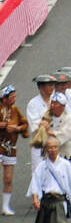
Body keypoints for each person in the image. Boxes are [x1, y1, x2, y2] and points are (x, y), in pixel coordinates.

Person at [0, 82, 27, 214]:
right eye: (11, 96)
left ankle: (6, 205)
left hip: (10, 147)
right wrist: (4, 125)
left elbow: (25, 125)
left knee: (8, 178)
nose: (14, 99)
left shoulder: (15, 110)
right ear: (4, 98)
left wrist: (17, 128)